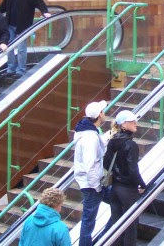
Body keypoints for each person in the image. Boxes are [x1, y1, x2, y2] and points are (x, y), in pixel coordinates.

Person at [104, 110, 146, 246]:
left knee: (116, 224)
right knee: (130, 226)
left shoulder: (112, 141)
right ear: (123, 125)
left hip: (115, 188)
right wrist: (142, 185)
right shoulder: (131, 145)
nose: (135, 123)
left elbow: (106, 163)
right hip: (128, 190)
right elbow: (133, 169)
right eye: (131, 121)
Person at [0, 0, 52, 78]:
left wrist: (44, 12)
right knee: (9, 48)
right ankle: (11, 69)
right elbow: (3, 6)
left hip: (23, 26)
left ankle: (21, 70)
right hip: (10, 24)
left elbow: (39, 2)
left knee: (21, 49)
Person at [73, 100, 110, 246]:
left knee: (89, 219)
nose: (105, 113)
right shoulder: (90, 137)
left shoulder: (89, 132)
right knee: (88, 220)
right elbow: (90, 164)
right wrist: (97, 186)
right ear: (99, 115)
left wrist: (111, 133)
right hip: (92, 185)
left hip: (91, 183)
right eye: (103, 111)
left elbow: (98, 145)